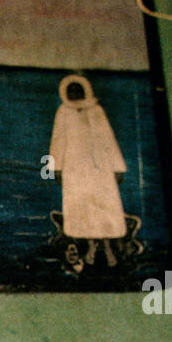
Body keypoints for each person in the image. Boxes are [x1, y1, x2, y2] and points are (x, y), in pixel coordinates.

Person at [48, 73, 128, 266]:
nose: (75, 93)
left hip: (100, 168)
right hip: (74, 170)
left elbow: (108, 138)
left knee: (105, 207)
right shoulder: (63, 112)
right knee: (82, 208)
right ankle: (91, 247)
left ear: (85, 90)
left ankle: (108, 248)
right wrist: (54, 168)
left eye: (78, 89)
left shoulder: (97, 111)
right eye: (71, 90)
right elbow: (57, 141)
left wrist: (118, 167)